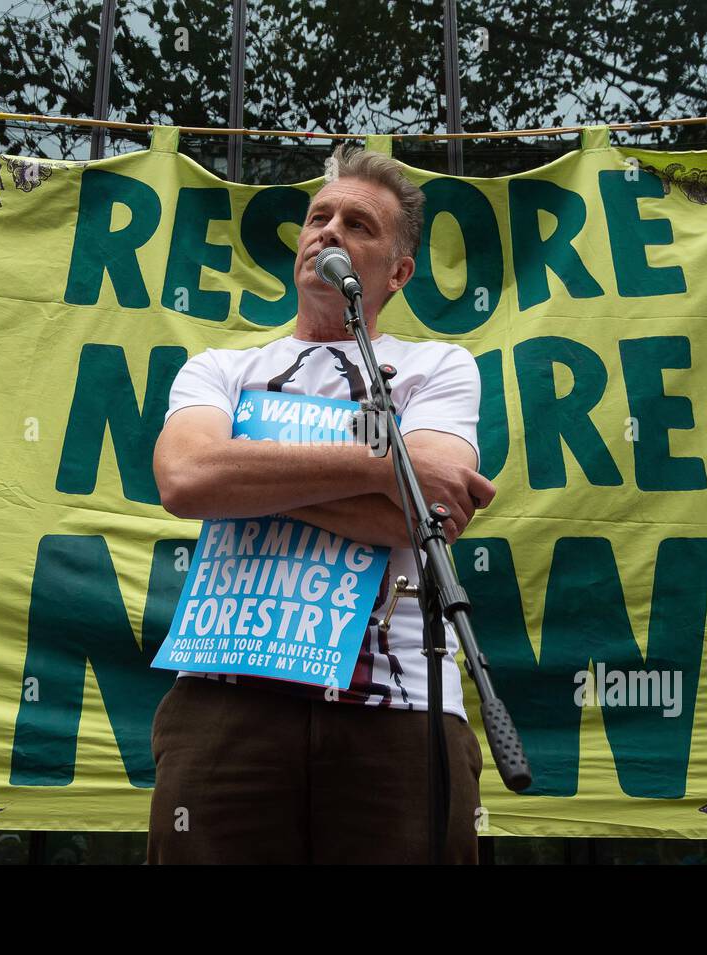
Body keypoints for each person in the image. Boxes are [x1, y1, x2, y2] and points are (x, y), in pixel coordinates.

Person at [146, 144, 497, 864]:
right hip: (226, 696)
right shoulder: (220, 369)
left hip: (399, 710)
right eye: (319, 216)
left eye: (358, 225)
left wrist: (247, 484)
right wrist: (378, 465)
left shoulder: (440, 366)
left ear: (397, 272)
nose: (328, 231)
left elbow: (423, 517)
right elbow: (185, 479)